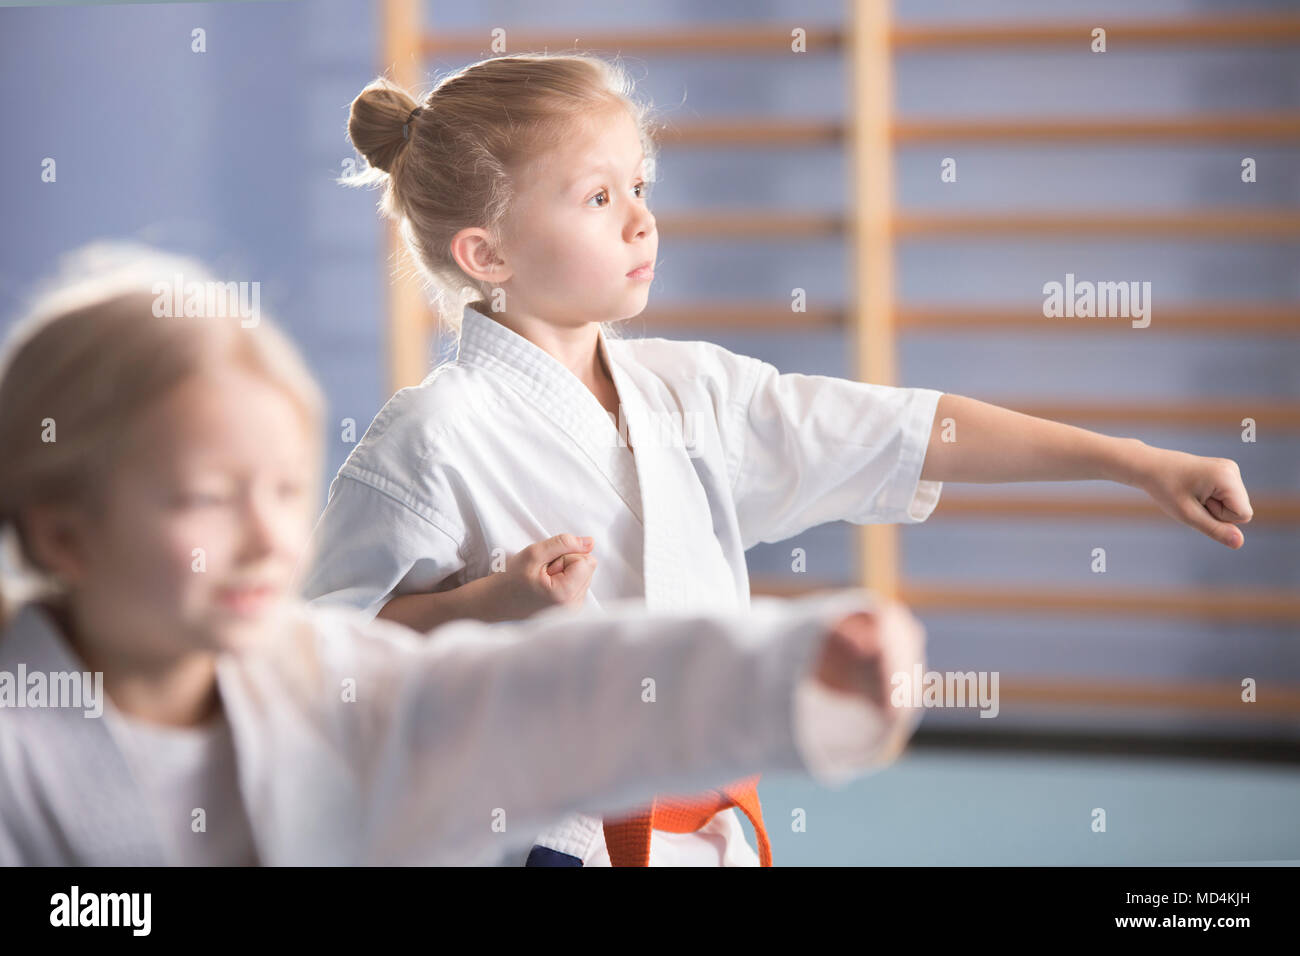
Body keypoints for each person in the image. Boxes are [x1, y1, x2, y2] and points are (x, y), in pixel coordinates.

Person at [302, 53, 1255, 866]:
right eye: (598, 197)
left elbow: (908, 429)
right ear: (487, 252)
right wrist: (488, 602)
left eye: (641, 186)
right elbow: (316, 663)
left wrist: (1131, 462)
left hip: (713, 830)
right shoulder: (433, 435)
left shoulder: (694, 393)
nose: (640, 220)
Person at [0, 244, 926, 866]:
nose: (266, 541)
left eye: (285, 492)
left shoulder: (323, 680)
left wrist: (795, 665)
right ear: (63, 532)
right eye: (207, 498)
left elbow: (553, 693)